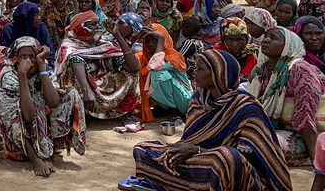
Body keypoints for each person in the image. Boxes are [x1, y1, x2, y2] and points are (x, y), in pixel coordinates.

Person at [127, 49, 291, 191]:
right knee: (144, 149)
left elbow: (249, 157)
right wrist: (179, 151)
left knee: (224, 158)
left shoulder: (246, 107)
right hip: (202, 161)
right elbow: (190, 140)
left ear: (218, 73)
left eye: (200, 69)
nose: (195, 73)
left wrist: (199, 151)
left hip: (236, 172)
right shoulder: (198, 100)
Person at [0, 37, 87, 178]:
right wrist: (22, 75)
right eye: (23, 56)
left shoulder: (41, 67)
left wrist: (41, 66)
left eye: (32, 56)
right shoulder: (9, 74)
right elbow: (27, 115)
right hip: (16, 138)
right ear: (16, 57)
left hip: (38, 127)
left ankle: (47, 150)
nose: (28, 60)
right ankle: (35, 157)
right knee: (22, 101)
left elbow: (54, 102)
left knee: (71, 94)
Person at [249, 26, 324, 165]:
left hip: (307, 135)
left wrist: (317, 160)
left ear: (288, 45)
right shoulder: (262, 70)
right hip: (276, 127)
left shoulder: (300, 70)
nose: (266, 40)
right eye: (266, 36)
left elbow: (306, 117)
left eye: (273, 38)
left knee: (258, 146)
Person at [54, 11, 141, 120]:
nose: (98, 27)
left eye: (97, 23)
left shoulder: (101, 42)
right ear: (81, 26)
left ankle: (110, 111)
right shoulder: (68, 45)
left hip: (100, 83)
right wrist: (87, 91)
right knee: (73, 66)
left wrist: (117, 35)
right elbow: (74, 60)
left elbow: (134, 67)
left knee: (130, 75)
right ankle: (83, 112)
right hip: (82, 87)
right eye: (93, 24)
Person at [137, 23, 193, 123]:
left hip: (184, 101)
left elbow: (156, 65)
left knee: (158, 74)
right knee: (143, 76)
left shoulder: (174, 56)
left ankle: (174, 112)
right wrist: (133, 38)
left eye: (155, 40)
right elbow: (130, 64)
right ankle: (166, 108)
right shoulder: (145, 57)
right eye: (147, 41)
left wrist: (161, 39)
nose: (150, 44)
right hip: (171, 101)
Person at [0, 2, 55, 66]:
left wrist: (50, 66)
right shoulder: (9, 30)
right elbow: (4, 52)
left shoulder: (40, 27)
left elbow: (50, 50)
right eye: (35, 15)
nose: (39, 18)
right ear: (27, 17)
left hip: (38, 65)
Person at [175, 17, 204, 81]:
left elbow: (178, 57)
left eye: (182, 28)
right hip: (195, 75)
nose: (181, 30)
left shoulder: (189, 43)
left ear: (187, 29)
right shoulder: (200, 43)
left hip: (188, 75)